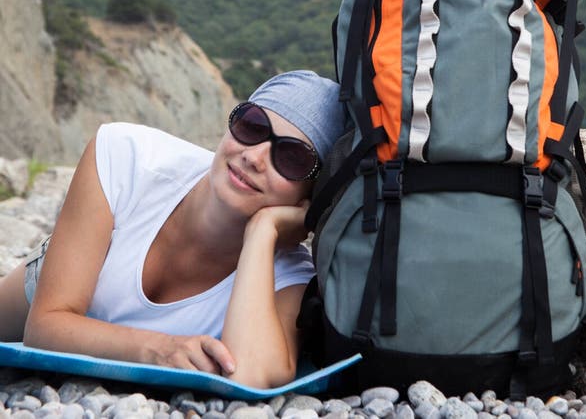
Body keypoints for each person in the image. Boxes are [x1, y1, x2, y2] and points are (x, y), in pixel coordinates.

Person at [0, 70, 344, 388]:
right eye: (252, 126)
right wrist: (158, 350)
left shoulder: (289, 276)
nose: (254, 157)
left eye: (292, 158)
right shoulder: (128, 158)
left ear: (309, 195)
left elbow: (249, 375)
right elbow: (45, 327)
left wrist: (263, 232)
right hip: (57, 279)